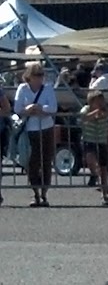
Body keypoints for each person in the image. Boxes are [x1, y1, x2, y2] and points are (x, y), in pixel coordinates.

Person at [14, 61, 57, 207]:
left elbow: (53, 107)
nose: (39, 78)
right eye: (36, 75)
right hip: (30, 130)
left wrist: (40, 108)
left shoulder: (48, 88)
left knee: (46, 161)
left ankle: (44, 193)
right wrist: (29, 109)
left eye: (41, 75)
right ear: (29, 76)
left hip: (46, 128)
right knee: (31, 162)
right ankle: (35, 193)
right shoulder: (22, 88)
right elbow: (17, 108)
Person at [79, 89, 108, 205]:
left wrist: (107, 112)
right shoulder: (86, 109)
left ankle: (104, 194)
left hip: (102, 141)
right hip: (89, 141)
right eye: (97, 101)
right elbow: (83, 118)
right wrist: (95, 113)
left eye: (102, 100)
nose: (100, 103)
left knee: (103, 168)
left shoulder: (105, 109)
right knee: (91, 161)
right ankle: (95, 174)